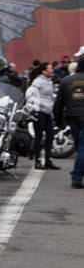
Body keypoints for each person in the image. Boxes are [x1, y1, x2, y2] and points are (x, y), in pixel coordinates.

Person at [54, 54, 84, 187]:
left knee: (80, 147)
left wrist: (58, 123)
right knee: (82, 149)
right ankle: (77, 177)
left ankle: (77, 174)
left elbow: (58, 104)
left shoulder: (66, 81)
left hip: (71, 117)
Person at [25, 63, 60, 170]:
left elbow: (49, 96)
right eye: (50, 68)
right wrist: (41, 104)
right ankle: (38, 161)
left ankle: (48, 160)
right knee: (39, 137)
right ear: (44, 71)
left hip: (48, 113)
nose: (52, 70)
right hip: (39, 112)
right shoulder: (38, 81)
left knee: (50, 136)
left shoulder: (49, 81)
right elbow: (29, 95)